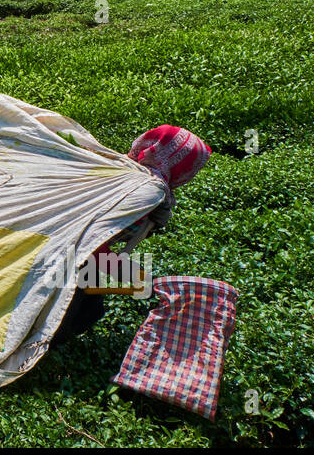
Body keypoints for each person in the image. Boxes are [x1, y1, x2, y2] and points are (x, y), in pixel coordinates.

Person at [52, 124, 212, 346]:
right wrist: (139, 280)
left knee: (89, 310)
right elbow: (90, 245)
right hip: (62, 259)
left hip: (72, 257)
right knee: (63, 319)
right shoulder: (142, 192)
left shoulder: (122, 169)